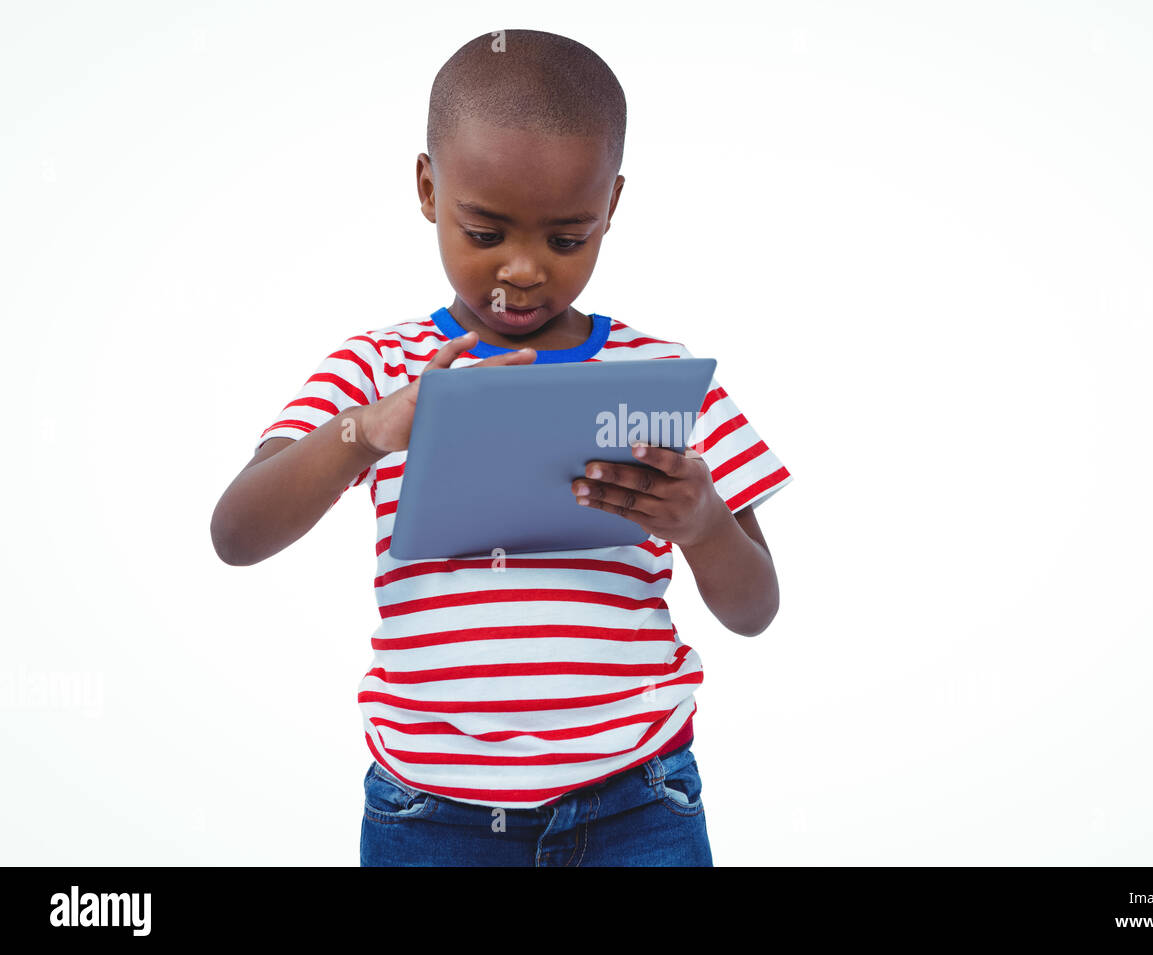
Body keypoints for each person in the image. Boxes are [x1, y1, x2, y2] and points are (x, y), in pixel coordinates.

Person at [210, 29, 792, 866]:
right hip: (428, 813)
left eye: (566, 240)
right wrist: (367, 429)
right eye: (485, 234)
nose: (522, 271)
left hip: (639, 802)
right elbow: (237, 533)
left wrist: (703, 525)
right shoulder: (379, 368)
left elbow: (755, 610)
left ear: (610, 206)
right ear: (427, 188)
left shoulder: (664, 378)